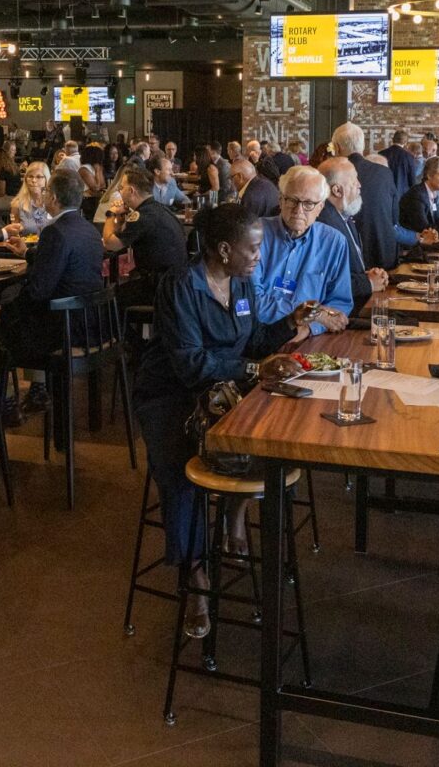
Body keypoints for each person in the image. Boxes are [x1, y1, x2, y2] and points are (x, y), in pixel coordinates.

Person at [135, 204, 310, 637]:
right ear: (224, 249)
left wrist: (291, 323)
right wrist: (253, 371)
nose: (259, 257)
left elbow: (253, 342)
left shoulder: (241, 284)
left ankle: (235, 510)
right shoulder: (182, 287)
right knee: (180, 474)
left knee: (268, 440)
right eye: (253, 249)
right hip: (170, 394)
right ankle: (195, 576)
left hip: (223, 392)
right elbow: (192, 365)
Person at [0, 169, 105, 366]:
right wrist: (27, 252)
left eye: (45, 191)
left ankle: (7, 387)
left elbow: (38, 290)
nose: (43, 194)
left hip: (62, 328)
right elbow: (66, 260)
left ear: (53, 198)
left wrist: (3, 311)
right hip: (91, 322)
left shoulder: (54, 232)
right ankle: (37, 385)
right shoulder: (89, 229)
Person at [253, 166, 353, 334]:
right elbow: (252, 301)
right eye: (292, 200)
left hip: (307, 339)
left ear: (320, 208)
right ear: (280, 200)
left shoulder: (335, 242)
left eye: (308, 204)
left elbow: (340, 303)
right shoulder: (255, 235)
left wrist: (308, 328)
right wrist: (313, 314)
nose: (298, 210)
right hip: (257, 334)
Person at [332, 122, 432, 272]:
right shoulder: (383, 173)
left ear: (337, 148)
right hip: (384, 254)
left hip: (349, 261)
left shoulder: (333, 175)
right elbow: (393, 218)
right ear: (362, 147)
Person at [103, 166, 188, 308]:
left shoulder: (142, 216)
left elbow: (110, 243)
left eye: (121, 188)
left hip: (159, 287)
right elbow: (122, 235)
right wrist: (120, 215)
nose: (119, 191)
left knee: (108, 299)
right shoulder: (159, 209)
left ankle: (123, 331)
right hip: (178, 283)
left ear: (131, 191)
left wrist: (111, 214)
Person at [317, 157, 389, 315]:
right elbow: (324, 281)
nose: (359, 184)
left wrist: (370, 275)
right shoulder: (325, 223)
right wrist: (368, 282)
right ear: (337, 190)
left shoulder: (342, 214)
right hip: (338, 315)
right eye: (354, 180)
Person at [400, 156, 439, 235]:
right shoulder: (417, 195)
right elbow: (423, 228)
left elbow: (437, 220)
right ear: (429, 175)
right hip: (412, 244)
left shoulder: (434, 193)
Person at [6, 161, 56, 238]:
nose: (34, 180)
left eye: (39, 177)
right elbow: (14, 234)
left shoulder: (54, 202)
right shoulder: (17, 204)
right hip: (27, 247)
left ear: (46, 179)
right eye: (30, 176)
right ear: (25, 180)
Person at [379, 129, 415, 199]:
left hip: (384, 192)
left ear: (393, 139)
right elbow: (412, 179)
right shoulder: (409, 156)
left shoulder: (381, 154)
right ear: (405, 142)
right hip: (402, 194)